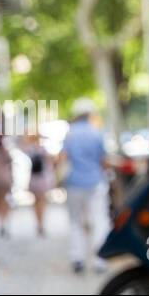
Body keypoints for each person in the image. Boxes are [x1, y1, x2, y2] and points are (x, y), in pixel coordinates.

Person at [61, 99, 112, 275]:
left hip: (74, 183)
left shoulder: (70, 134)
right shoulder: (96, 133)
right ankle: (100, 259)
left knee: (76, 221)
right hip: (96, 182)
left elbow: (62, 158)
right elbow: (104, 160)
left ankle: (77, 259)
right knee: (99, 220)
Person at [22, 132, 57, 238]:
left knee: (36, 202)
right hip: (42, 180)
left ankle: (39, 223)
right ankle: (40, 223)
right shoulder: (43, 150)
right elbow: (51, 164)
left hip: (34, 180)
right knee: (42, 202)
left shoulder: (30, 150)